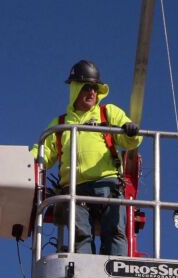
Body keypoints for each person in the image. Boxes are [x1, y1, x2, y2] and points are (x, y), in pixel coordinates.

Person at [38, 60, 142, 256]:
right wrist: (26, 159)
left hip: (107, 183)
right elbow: (43, 153)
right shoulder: (61, 123)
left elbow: (130, 141)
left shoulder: (108, 112)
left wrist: (131, 132)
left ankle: (116, 268)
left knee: (115, 232)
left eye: (95, 88)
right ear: (75, 89)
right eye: (87, 87)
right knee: (80, 235)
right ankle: (83, 267)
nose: (92, 92)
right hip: (74, 188)